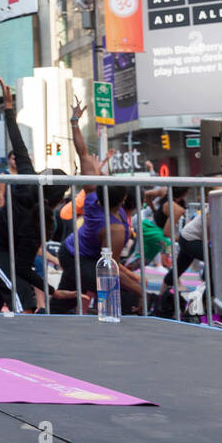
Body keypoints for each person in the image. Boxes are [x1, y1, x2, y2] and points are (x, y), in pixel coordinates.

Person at [0, 79, 70, 314]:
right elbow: (18, 144)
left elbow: (18, 143)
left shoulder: (32, 189)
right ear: (58, 201)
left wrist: (9, 109)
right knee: (21, 296)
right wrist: (51, 290)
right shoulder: (30, 187)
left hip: (6, 251)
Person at [57, 98, 145, 313]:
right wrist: (140, 290)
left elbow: (83, 153)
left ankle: (50, 316)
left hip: (74, 252)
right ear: (123, 201)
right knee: (126, 296)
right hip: (79, 256)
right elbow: (109, 270)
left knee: (62, 304)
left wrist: (75, 121)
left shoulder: (92, 194)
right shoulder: (115, 228)